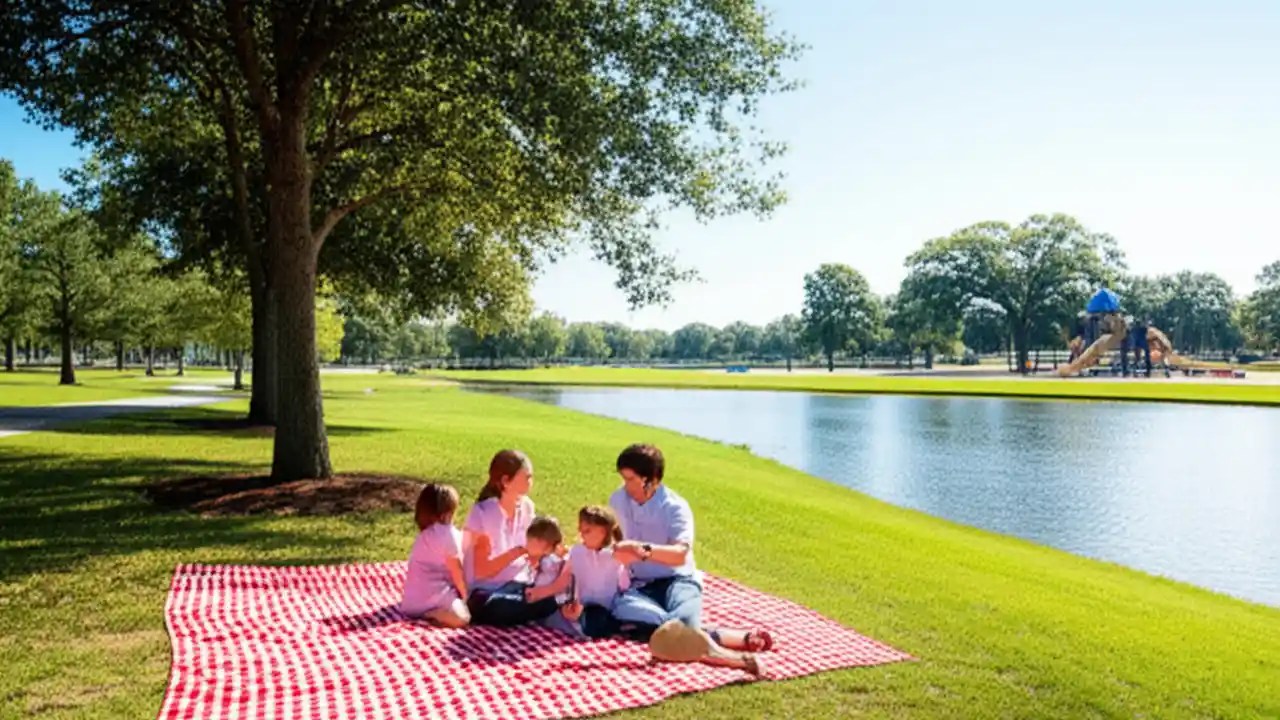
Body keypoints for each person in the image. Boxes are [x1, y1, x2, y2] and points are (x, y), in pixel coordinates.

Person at [608, 443, 771, 672]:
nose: (625, 486)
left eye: (631, 479)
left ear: (652, 479)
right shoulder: (618, 500)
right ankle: (730, 639)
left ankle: (732, 659)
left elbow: (679, 556)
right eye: (623, 479)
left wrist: (641, 550)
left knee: (673, 626)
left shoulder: (675, 507)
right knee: (622, 611)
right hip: (640, 586)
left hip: (678, 580)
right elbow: (612, 538)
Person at [463, 449, 563, 627]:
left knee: (554, 583)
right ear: (505, 481)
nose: (531, 482)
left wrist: (543, 553)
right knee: (501, 608)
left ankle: (548, 604)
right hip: (486, 591)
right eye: (527, 477)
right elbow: (482, 571)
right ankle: (548, 606)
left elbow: (533, 552)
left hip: (519, 584)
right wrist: (519, 552)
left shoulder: (527, 507)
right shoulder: (483, 513)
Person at [400, 483, 470, 628]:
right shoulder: (446, 534)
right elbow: (457, 571)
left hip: (411, 601)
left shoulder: (426, 535)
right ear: (447, 514)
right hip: (434, 594)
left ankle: (431, 611)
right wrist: (467, 597)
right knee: (463, 617)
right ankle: (431, 614)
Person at [559, 505, 631, 639]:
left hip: (613, 607)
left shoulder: (614, 556)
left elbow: (625, 585)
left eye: (587, 531)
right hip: (586, 608)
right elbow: (565, 581)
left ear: (603, 532)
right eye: (580, 529)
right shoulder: (577, 552)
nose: (581, 534)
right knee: (593, 621)